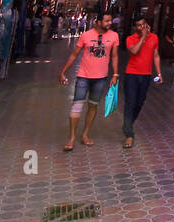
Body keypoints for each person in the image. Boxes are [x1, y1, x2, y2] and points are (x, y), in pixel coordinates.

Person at [57, 11, 118, 151]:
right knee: (77, 106)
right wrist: (63, 72)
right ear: (99, 22)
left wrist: (115, 74)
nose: (110, 23)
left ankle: (85, 135)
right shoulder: (86, 35)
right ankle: (71, 138)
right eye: (107, 21)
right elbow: (74, 55)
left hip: (101, 78)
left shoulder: (114, 36)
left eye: (110, 21)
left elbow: (114, 56)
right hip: (83, 76)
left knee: (93, 106)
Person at [121, 16, 161, 148]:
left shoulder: (154, 38)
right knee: (130, 103)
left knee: (140, 102)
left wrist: (159, 73)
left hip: (146, 75)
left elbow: (155, 55)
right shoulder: (130, 39)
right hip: (132, 74)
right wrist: (143, 38)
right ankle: (129, 134)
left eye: (143, 24)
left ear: (147, 25)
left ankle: (128, 124)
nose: (141, 27)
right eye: (138, 25)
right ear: (135, 27)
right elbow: (134, 51)